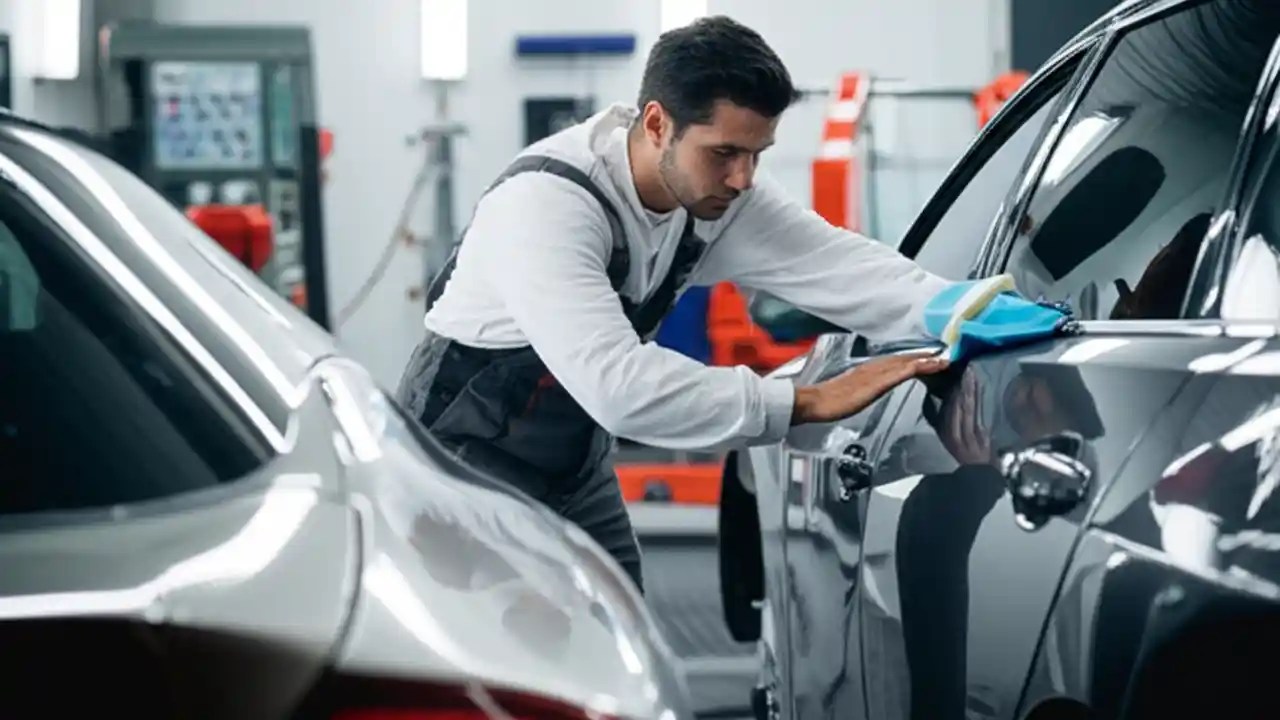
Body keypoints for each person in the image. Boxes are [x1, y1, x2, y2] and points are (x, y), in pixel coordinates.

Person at [395, 15, 952, 593]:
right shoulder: (548, 205)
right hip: (462, 464)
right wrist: (802, 402)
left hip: (573, 461)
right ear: (658, 124)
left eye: (757, 154)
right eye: (725, 153)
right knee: (509, 662)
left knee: (619, 633)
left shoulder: (717, 196)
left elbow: (839, 266)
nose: (743, 177)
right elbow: (619, 387)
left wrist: (963, 309)